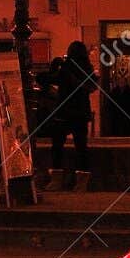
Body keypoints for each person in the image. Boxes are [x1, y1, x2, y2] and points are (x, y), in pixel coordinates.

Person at [46, 40, 96, 191]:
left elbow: (50, 79)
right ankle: (81, 182)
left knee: (57, 146)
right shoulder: (88, 70)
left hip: (64, 112)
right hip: (80, 113)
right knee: (81, 147)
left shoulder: (66, 68)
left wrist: (55, 66)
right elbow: (91, 86)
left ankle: (56, 180)